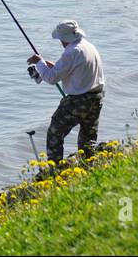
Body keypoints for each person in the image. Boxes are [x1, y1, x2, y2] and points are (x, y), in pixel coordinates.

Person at [27, 20, 105, 163]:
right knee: (88, 135)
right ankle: (89, 163)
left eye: (60, 39)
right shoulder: (88, 46)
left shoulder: (71, 52)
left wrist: (39, 62)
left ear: (64, 38)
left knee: (55, 133)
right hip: (97, 97)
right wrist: (46, 64)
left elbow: (51, 78)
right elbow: (73, 70)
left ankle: (55, 170)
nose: (60, 42)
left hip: (79, 100)